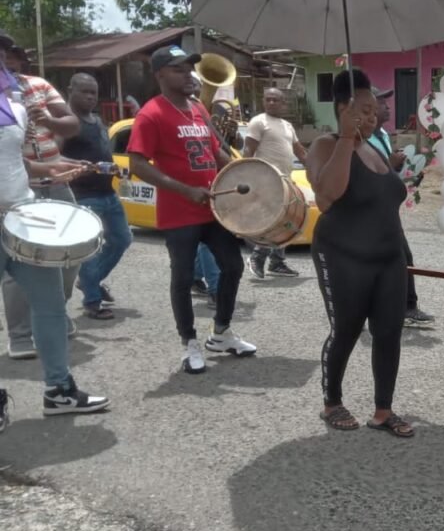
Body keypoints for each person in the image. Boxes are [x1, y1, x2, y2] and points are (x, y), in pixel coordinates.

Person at [127, 46, 256, 374]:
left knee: (233, 266)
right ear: (160, 75)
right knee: (183, 277)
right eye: (179, 69)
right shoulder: (151, 113)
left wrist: (251, 176)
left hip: (212, 208)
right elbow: (138, 165)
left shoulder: (198, 107)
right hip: (178, 212)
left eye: (189, 68)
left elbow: (217, 154)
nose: (189, 75)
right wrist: (184, 190)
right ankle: (189, 343)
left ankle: (222, 332)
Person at [0, 38, 110, 416]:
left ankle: (59, 390)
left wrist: (47, 167)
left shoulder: (13, 106)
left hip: (21, 215)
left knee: (49, 306)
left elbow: (13, 160)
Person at [305, 69, 413, 437]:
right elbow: (327, 196)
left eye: (374, 110)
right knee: (346, 330)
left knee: (388, 332)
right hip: (342, 255)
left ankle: (384, 410)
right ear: (341, 109)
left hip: (388, 257)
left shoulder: (374, 146)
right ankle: (331, 402)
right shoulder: (325, 145)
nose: (372, 116)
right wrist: (346, 138)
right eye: (363, 110)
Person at [1, 35, 81, 358]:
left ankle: (53, 311)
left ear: (19, 59)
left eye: (8, 54)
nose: (5, 60)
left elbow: (72, 124)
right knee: (18, 263)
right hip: (16, 189)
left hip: (51, 175)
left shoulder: (37, 86)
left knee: (72, 248)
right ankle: (20, 336)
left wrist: (48, 120)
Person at [61, 73, 133, 320]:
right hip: (82, 195)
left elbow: (104, 154)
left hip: (108, 193)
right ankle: (92, 300)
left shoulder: (97, 121)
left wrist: (115, 168)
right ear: (70, 91)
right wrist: (84, 166)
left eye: (94, 92)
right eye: (85, 92)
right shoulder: (66, 122)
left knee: (122, 239)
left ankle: (90, 282)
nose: (91, 97)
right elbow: (53, 157)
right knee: (89, 249)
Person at [368, 86, 434, 329]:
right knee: (395, 258)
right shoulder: (360, 139)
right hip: (370, 213)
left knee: (401, 257)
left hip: (387, 210)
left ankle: (406, 307)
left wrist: (407, 172)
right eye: (382, 103)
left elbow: (388, 173)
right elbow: (366, 173)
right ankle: (398, 307)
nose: (388, 107)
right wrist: (389, 163)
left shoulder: (383, 135)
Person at [242, 87, 306, 278]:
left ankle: (277, 263)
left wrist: (316, 167)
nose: (271, 103)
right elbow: (248, 152)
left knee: (287, 221)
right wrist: (248, 177)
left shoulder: (287, 125)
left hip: (286, 179)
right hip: (267, 180)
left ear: (283, 103)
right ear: (263, 102)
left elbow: (300, 151)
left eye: (275, 100)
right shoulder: (258, 122)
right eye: (268, 99)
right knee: (273, 221)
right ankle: (257, 256)